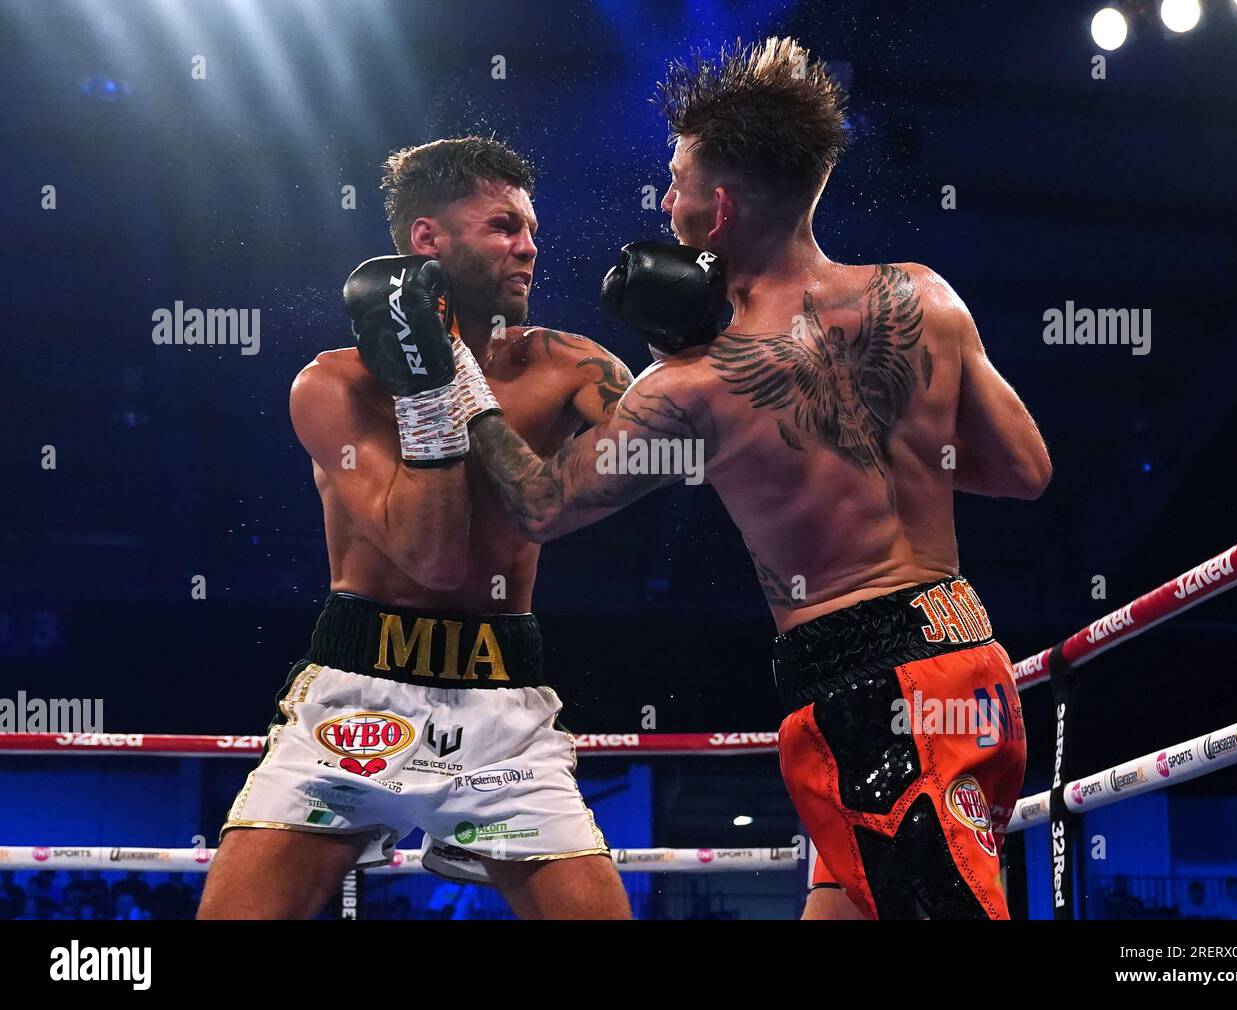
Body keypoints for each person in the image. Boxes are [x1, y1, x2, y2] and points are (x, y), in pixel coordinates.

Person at [461, 39, 1050, 919]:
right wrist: (880, 451)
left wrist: (455, 384)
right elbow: (1024, 472)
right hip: (971, 663)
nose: (666, 201)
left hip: (871, 699)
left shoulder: (694, 383)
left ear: (720, 207)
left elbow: (542, 503)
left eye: (677, 180)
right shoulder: (926, 297)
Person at [198, 137, 633, 920]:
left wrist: (701, 344)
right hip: (357, 695)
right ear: (429, 238)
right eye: (504, 226)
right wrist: (431, 384)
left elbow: (672, 453)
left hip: (505, 703)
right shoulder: (334, 384)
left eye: (532, 228)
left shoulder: (570, 366)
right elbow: (432, 558)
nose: (530, 247)